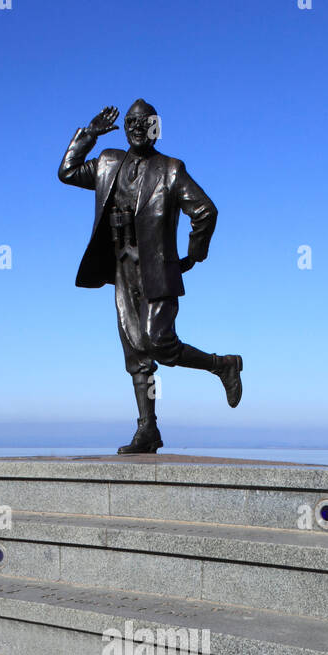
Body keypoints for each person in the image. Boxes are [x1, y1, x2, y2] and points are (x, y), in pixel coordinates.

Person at [59, 100, 243, 454]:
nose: (137, 129)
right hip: (122, 270)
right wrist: (90, 134)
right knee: (136, 354)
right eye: (132, 123)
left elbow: (205, 210)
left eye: (144, 123)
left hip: (158, 270)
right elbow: (67, 172)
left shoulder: (171, 170)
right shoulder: (108, 163)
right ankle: (148, 430)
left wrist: (193, 255)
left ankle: (223, 365)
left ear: (155, 127)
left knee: (160, 342)